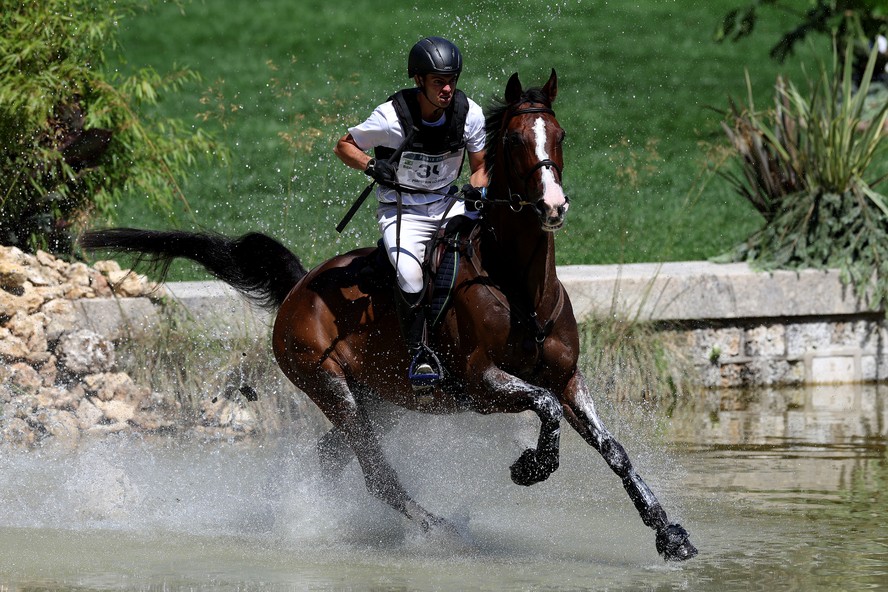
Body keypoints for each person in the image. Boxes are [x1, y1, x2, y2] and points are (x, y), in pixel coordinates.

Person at [333, 36, 488, 390]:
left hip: (448, 203)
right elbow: (343, 146)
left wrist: (478, 191)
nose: (448, 89)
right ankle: (420, 355)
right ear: (419, 80)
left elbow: (480, 168)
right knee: (410, 274)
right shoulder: (390, 118)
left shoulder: (470, 115)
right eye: (438, 81)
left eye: (452, 80)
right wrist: (372, 166)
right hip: (404, 210)